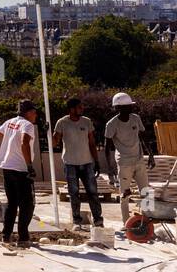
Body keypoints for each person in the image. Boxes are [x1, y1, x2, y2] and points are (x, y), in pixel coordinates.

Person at [0, 99, 38, 248]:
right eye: (34, 112)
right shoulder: (28, 125)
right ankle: (23, 237)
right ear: (28, 112)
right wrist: (29, 166)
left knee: (12, 203)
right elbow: (24, 143)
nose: (36, 115)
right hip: (20, 169)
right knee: (27, 204)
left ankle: (6, 235)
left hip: (7, 168)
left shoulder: (9, 122)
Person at [104, 92, 154, 227]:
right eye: (127, 106)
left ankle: (146, 221)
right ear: (118, 108)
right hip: (124, 163)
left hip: (138, 160)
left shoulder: (136, 118)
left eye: (130, 106)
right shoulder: (112, 124)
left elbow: (144, 136)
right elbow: (107, 147)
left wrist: (150, 154)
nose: (131, 108)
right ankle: (126, 224)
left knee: (146, 192)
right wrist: (110, 169)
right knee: (125, 195)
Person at [52, 97, 103, 228]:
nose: (82, 109)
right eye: (79, 107)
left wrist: (96, 161)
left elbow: (92, 143)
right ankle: (77, 220)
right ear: (71, 109)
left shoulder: (86, 122)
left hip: (87, 163)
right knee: (74, 193)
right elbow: (54, 142)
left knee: (93, 192)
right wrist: (49, 133)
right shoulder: (62, 123)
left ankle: (98, 219)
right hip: (70, 164)